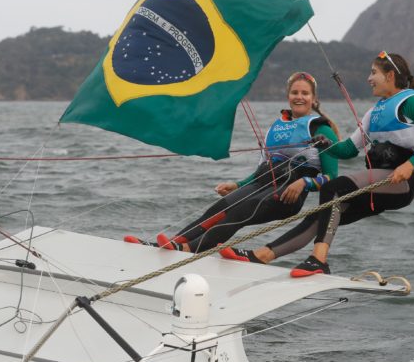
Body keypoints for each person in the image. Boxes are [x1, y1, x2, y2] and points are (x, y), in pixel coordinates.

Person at [221, 52, 414, 276]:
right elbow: (348, 150)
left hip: (402, 183)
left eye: (373, 73)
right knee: (321, 213)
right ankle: (262, 255)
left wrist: (411, 165)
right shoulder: (374, 112)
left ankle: (319, 260)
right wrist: (324, 143)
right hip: (375, 184)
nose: (369, 79)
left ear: (390, 76)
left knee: (333, 188)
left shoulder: (413, 102)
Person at [125, 71, 339, 253]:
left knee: (239, 212)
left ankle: (186, 250)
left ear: (313, 98)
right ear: (288, 96)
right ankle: (171, 246)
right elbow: (260, 172)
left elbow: (331, 177)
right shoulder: (277, 127)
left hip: (288, 196)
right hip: (261, 185)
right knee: (219, 208)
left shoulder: (321, 129)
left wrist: (305, 183)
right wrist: (238, 185)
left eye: (304, 93)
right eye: (295, 92)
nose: (299, 97)